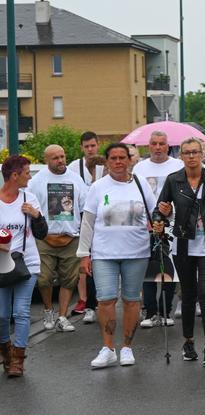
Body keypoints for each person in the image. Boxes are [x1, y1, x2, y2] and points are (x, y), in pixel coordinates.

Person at [154, 138, 205, 366]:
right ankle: (188, 341)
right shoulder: (174, 180)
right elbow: (159, 211)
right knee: (189, 295)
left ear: (203, 155)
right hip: (183, 243)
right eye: (187, 153)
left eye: (195, 152)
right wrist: (160, 218)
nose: (191, 156)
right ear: (181, 156)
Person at [77, 143, 157, 369]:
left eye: (123, 157)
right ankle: (108, 348)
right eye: (114, 158)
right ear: (107, 161)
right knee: (106, 300)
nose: (119, 162)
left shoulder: (141, 185)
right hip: (104, 253)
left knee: (132, 300)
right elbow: (88, 222)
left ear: (130, 160)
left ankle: (127, 348)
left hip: (137, 252)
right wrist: (84, 253)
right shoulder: (98, 187)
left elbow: (155, 215)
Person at [28, 145, 87, 332]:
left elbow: (85, 208)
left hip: (71, 237)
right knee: (44, 280)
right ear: (47, 160)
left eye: (62, 156)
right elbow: (30, 208)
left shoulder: (76, 179)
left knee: (69, 280)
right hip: (45, 238)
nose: (60, 160)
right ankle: (48, 310)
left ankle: (62, 316)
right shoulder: (36, 181)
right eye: (55, 158)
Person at [0, 156, 48, 377]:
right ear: (14, 175)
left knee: (21, 312)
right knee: (1, 315)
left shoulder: (29, 198)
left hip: (26, 264)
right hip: (1, 266)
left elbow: (42, 233)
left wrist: (36, 215)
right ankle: (6, 352)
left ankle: (18, 359)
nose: (30, 176)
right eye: (27, 172)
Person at [132, 131, 184, 329]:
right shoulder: (140, 167)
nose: (158, 147)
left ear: (168, 145)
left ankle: (165, 311)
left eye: (162, 143)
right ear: (148, 146)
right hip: (146, 225)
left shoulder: (178, 166)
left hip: (172, 225)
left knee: (168, 269)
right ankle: (151, 312)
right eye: (154, 143)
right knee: (149, 268)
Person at [68, 131, 103, 320]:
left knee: (104, 264)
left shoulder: (106, 164)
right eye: (86, 146)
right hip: (85, 219)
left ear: (98, 145)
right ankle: (89, 305)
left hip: (105, 221)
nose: (90, 149)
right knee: (87, 263)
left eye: (93, 145)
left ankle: (102, 302)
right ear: (82, 147)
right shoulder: (74, 167)